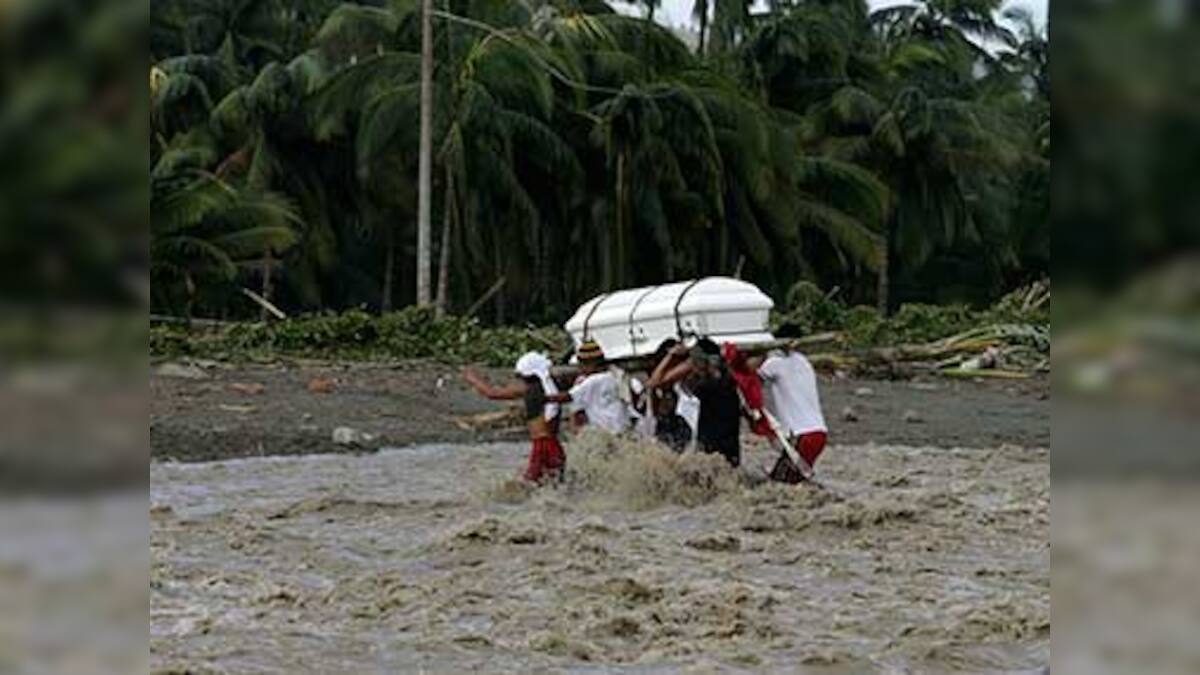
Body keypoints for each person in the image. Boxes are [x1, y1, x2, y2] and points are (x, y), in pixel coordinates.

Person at [461, 351, 566, 484]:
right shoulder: (552, 386)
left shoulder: (528, 389)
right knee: (555, 484)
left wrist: (472, 378)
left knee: (530, 485)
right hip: (555, 445)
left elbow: (492, 393)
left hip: (542, 447)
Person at [646, 338, 742, 467]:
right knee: (723, 460)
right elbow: (655, 383)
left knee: (713, 459)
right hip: (722, 413)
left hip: (717, 415)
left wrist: (670, 356)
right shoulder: (719, 369)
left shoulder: (700, 366)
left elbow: (655, 382)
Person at [758, 341, 829, 483]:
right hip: (819, 432)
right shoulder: (804, 362)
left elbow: (752, 382)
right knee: (792, 480)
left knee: (779, 485)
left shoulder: (774, 364)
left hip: (801, 434)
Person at [566, 340, 631, 434]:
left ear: (589, 364)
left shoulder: (593, 380)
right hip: (621, 428)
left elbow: (569, 398)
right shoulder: (617, 375)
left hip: (605, 432)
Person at [651, 386, 692, 453]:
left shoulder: (680, 422)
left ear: (675, 403)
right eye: (663, 400)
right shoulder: (652, 421)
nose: (665, 403)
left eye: (669, 400)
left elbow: (685, 440)